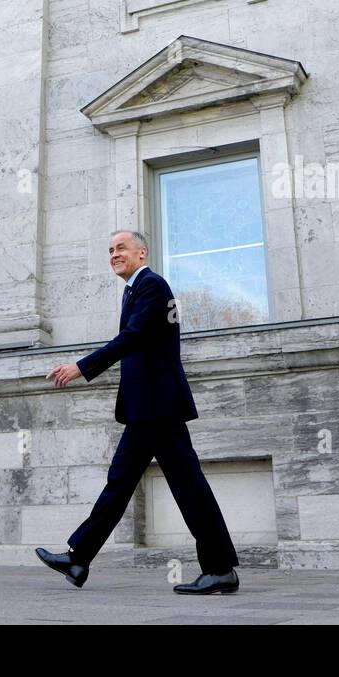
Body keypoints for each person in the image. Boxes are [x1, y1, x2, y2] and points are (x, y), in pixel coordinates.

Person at [39, 229, 240, 594]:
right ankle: (78, 557)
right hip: (146, 408)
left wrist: (81, 367)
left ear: (141, 253)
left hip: (158, 407)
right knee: (123, 483)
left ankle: (220, 569)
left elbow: (130, 338)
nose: (114, 254)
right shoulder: (135, 289)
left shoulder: (152, 286)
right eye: (110, 250)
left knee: (187, 487)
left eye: (122, 248)